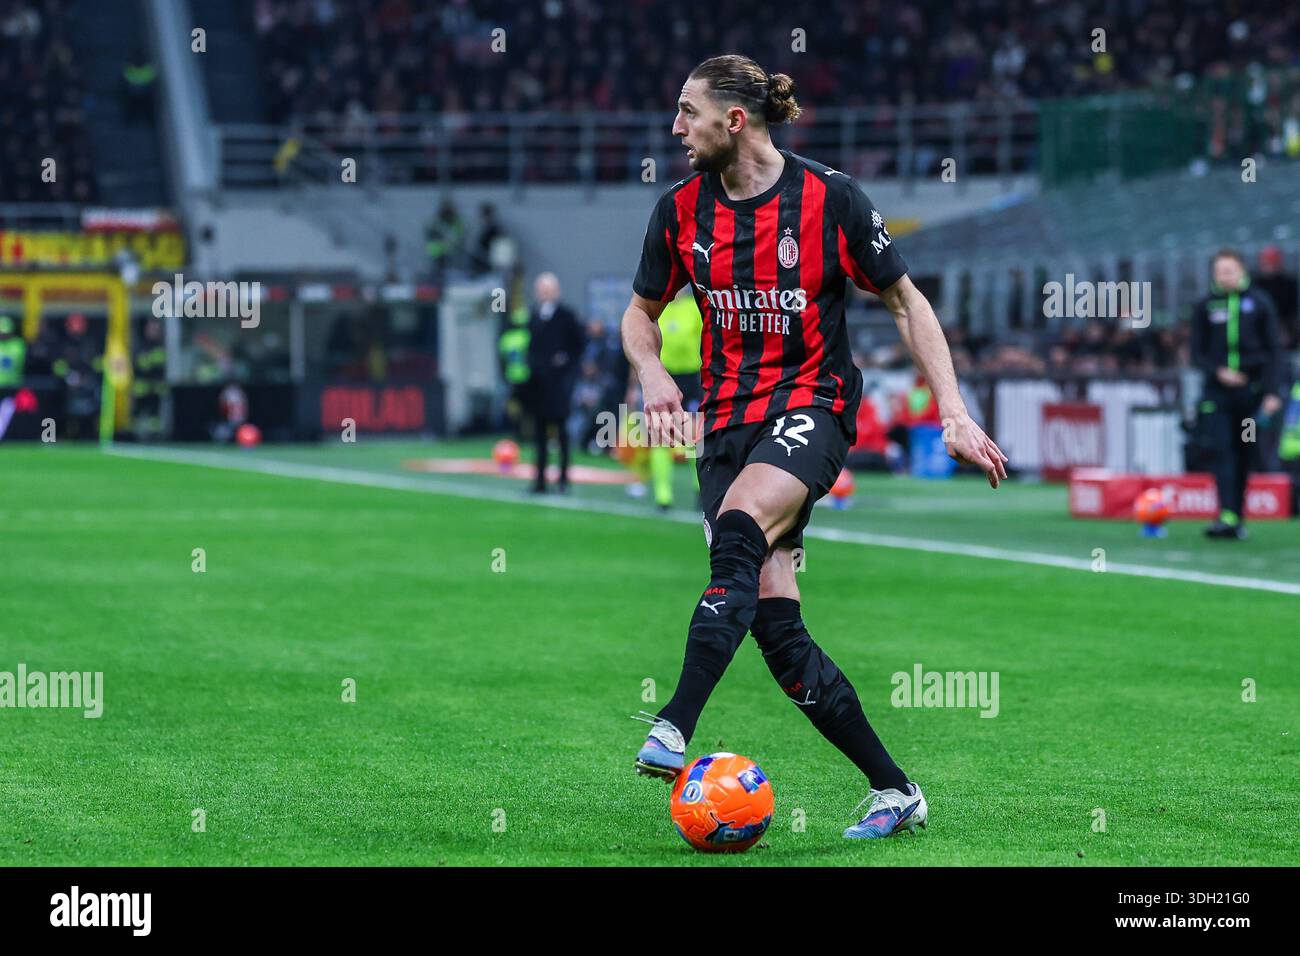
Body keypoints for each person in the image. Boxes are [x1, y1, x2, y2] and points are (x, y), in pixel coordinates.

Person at [621, 55, 1005, 840]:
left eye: (687, 112)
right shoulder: (679, 212)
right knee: (776, 630)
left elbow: (905, 301)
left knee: (737, 527)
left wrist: (954, 411)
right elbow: (639, 309)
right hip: (725, 424)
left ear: (735, 120)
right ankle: (896, 790)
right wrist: (650, 367)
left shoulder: (831, 198)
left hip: (810, 406)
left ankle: (673, 724)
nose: (675, 128)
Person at [1190, 249, 1284, 539]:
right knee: (1221, 450)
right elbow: (1197, 353)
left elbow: (1274, 352)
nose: (1225, 276)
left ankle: (1237, 514)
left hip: (1249, 395)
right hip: (1217, 396)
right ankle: (1226, 514)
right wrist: (1218, 372)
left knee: (1244, 450)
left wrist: (1271, 391)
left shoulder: (1259, 303)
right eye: (1220, 271)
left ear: (1242, 271)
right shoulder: (1205, 306)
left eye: (1230, 270)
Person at [526, 273, 584, 494]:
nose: (544, 293)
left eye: (548, 289)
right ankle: (539, 480)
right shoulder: (534, 316)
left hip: (559, 386)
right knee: (539, 435)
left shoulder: (567, 317)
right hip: (539, 386)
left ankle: (562, 480)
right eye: (541, 289)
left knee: (561, 434)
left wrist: (566, 362)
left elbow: (578, 346)